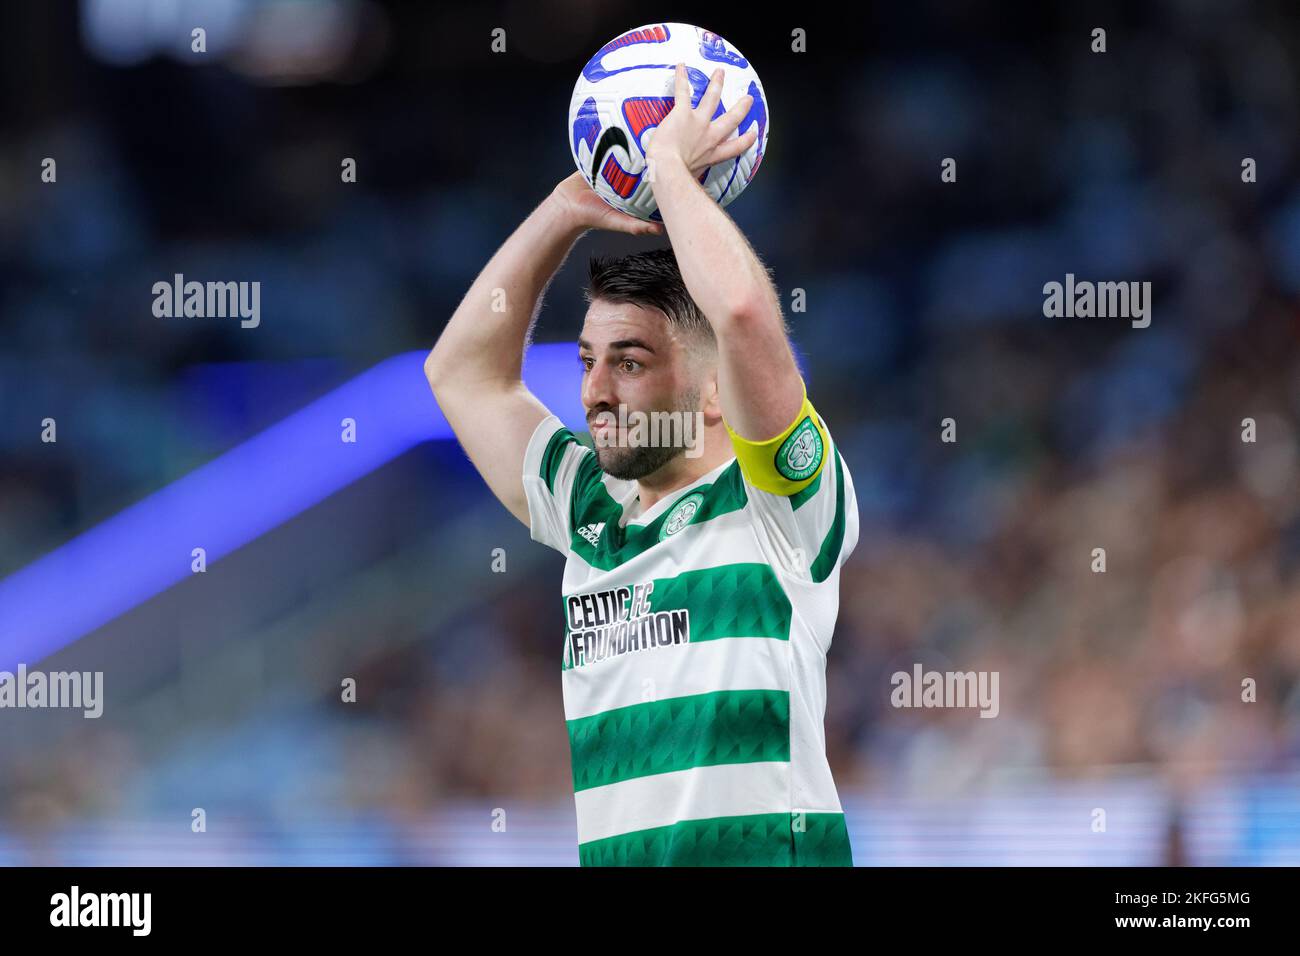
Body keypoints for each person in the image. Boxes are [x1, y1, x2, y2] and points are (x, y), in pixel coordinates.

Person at [425, 63, 859, 865]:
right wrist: (560, 213)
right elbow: (462, 374)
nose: (591, 391)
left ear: (713, 391)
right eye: (588, 359)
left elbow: (737, 311)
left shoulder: (780, 506)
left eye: (628, 362)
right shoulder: (589, 508)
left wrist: (665, 168)